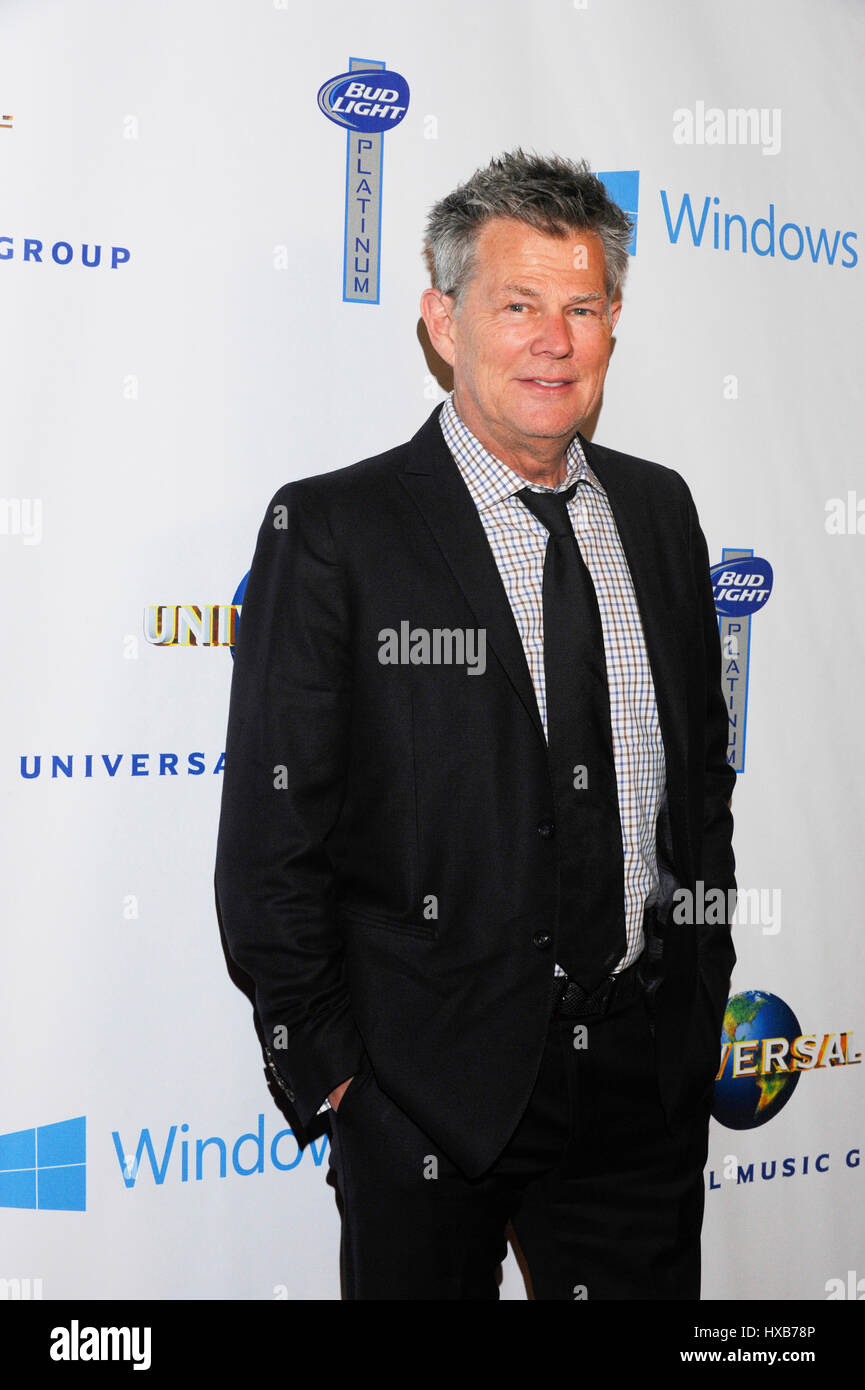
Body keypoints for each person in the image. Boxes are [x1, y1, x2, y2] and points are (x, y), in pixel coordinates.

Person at [214, 150, 736, 1301]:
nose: (554, 338)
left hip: (638, 1082)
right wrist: (345, 1083)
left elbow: (698, 790)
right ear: (442, 323)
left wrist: (694, 1006)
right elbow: (269, 841)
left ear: (611, 326)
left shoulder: (659, 510)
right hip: (422, 1096)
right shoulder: (337, 530)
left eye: (583, 306)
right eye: (517, 304)